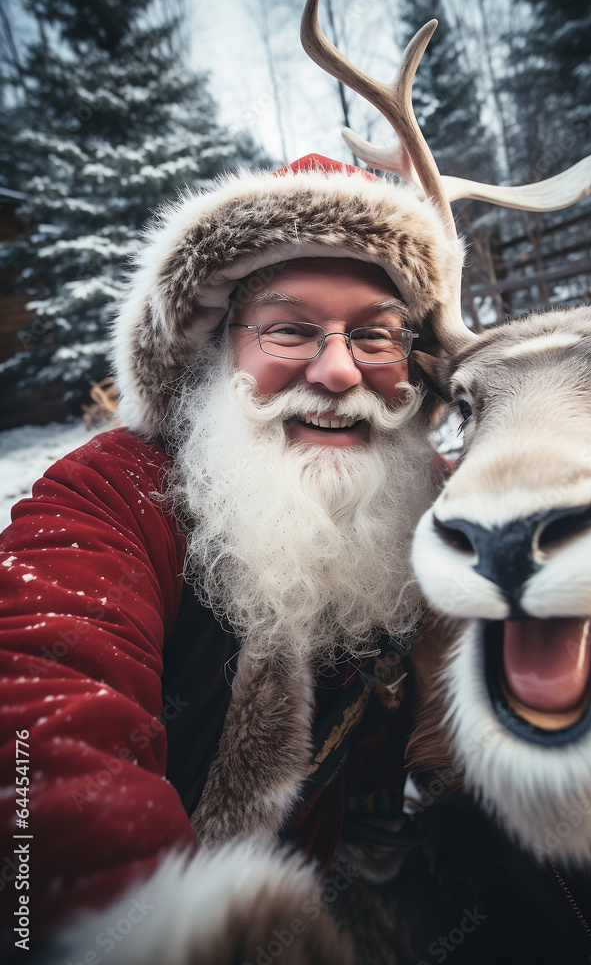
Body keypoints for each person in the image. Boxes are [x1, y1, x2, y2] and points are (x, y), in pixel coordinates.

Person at [0, 152, 460, 962]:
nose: (338, 370)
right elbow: (37, 700)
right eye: (288, 329)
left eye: (375, 334)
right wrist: (147, 920)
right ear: (213, 351)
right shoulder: (112, 497)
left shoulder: (427, 495)